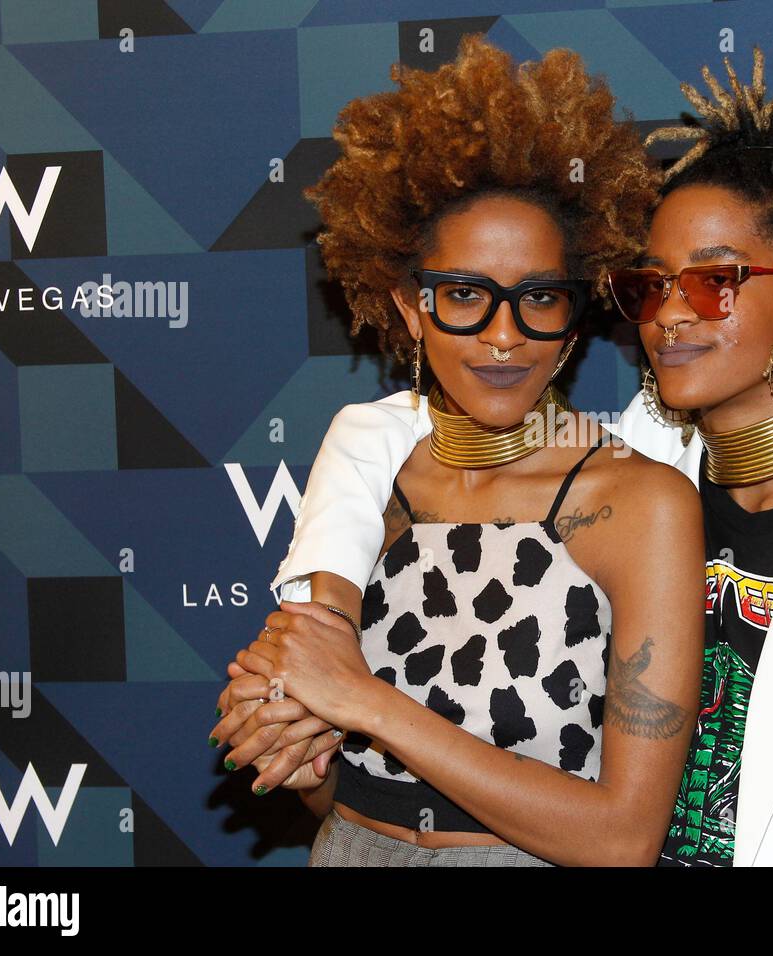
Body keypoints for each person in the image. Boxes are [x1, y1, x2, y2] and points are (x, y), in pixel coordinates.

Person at [230, 47, 773, 866]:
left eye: (715, 282)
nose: (672, 315)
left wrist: (357, 695)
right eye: (651, 286)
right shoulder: (613, 473)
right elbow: (410, 427)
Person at [209, 36, 704, 867]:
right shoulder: (373, 476)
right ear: (410, 308)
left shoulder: (639, 503)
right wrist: (290, 735)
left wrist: (362, 701)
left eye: (538, 297)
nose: (504, 336)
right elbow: (342, 786)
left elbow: (624, 839)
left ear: (575, 318)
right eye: (465, 295)